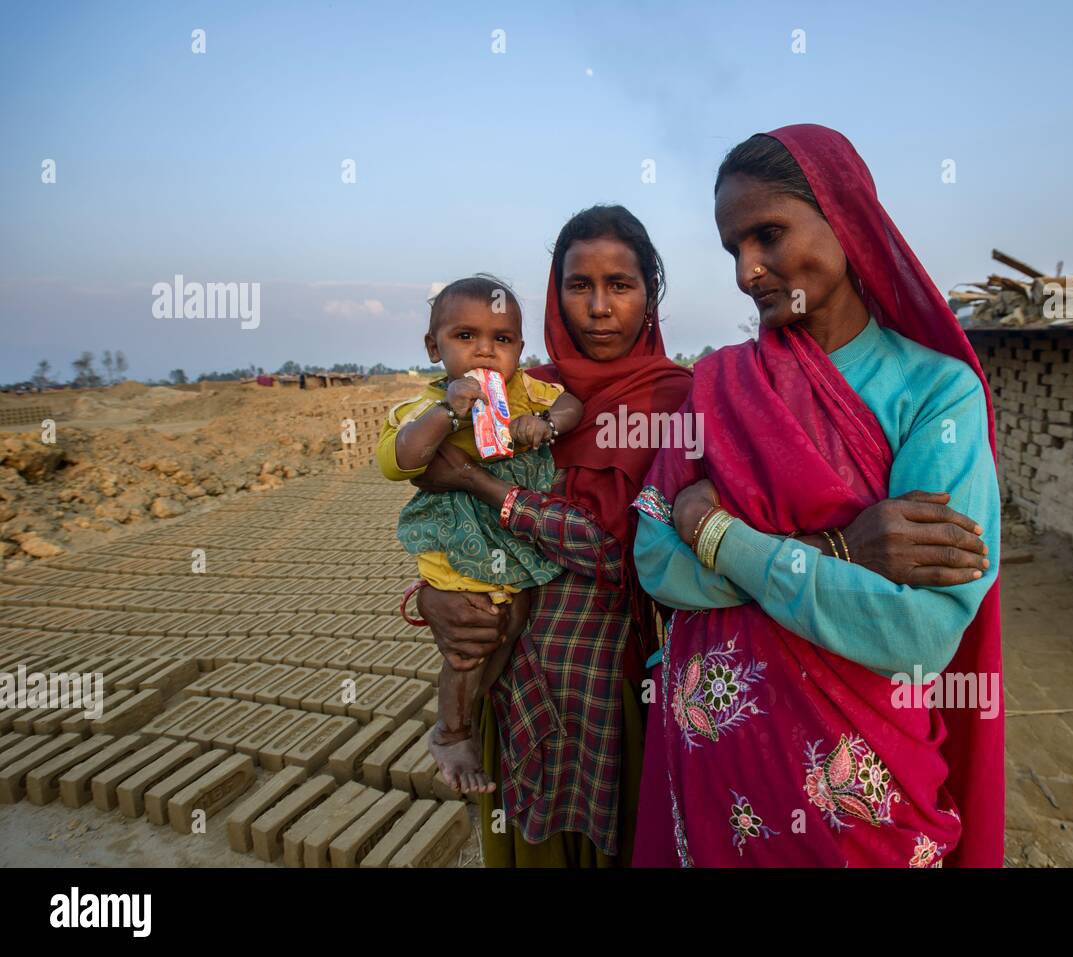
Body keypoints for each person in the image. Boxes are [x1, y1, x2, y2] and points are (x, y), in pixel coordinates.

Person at [631, 125, 1004, 867]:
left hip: (857, 797)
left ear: (845, 215)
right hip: (715, 769)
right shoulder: (718, 382)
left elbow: (919, 634)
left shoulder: (936, 394)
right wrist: (838, 552)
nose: (747, 271)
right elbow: (652, 555)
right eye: (733, 247)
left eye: (767, 234)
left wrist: (719, 535)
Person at [407, 206, 693, 866]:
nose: (597, 307)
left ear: (650, 295)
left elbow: (615, 551)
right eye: (577, 285)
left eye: (619, 285)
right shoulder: (524, 396)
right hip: (512, 691)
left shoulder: (678, 398)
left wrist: (490, 489)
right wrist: (428, 598)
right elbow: (456, 526)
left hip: (614, 696)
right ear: (552, 293)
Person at [375, 275, 584, 794]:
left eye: (503, 340)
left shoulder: (526, 392)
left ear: (520, 348)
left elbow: (571, 403)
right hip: (457, 544)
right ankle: (452, 730)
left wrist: (547, 423)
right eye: (465, 337)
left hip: (512, 544)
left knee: (509, 624)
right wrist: (450, 412)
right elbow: (398, 460)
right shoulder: (424, 406)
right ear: (433, 346)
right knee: (469, 641)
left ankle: (472, 707)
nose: (485, 352)